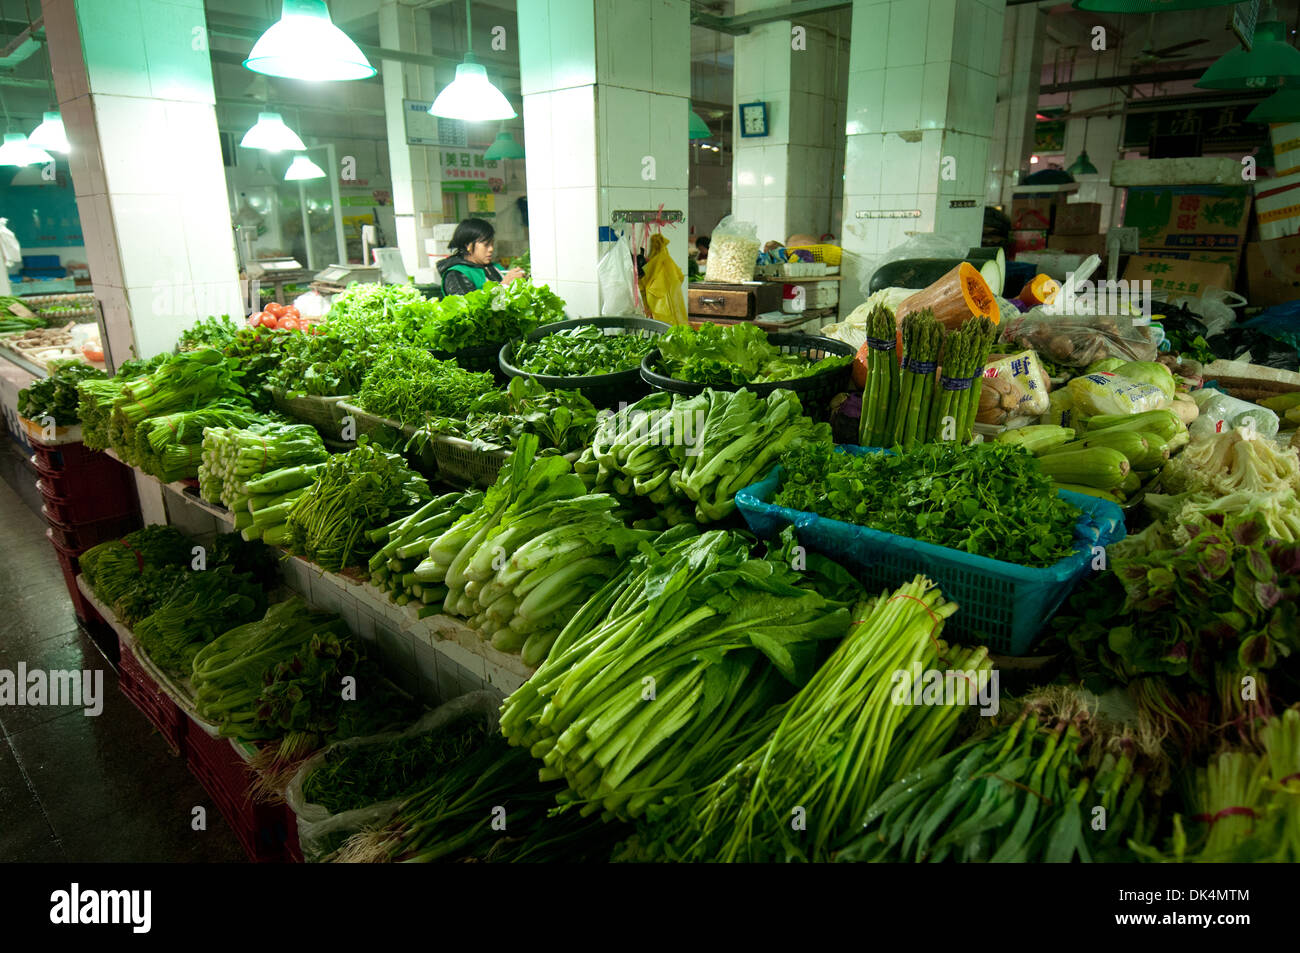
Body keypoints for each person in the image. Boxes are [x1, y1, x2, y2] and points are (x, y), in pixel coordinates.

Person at [437, 218, 524, 296]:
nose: (491, 249)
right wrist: (504, 286)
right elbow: (469, 309)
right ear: (468, 245)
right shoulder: (456, 274)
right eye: (486, 245)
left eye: (492, 244)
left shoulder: (495, 267)